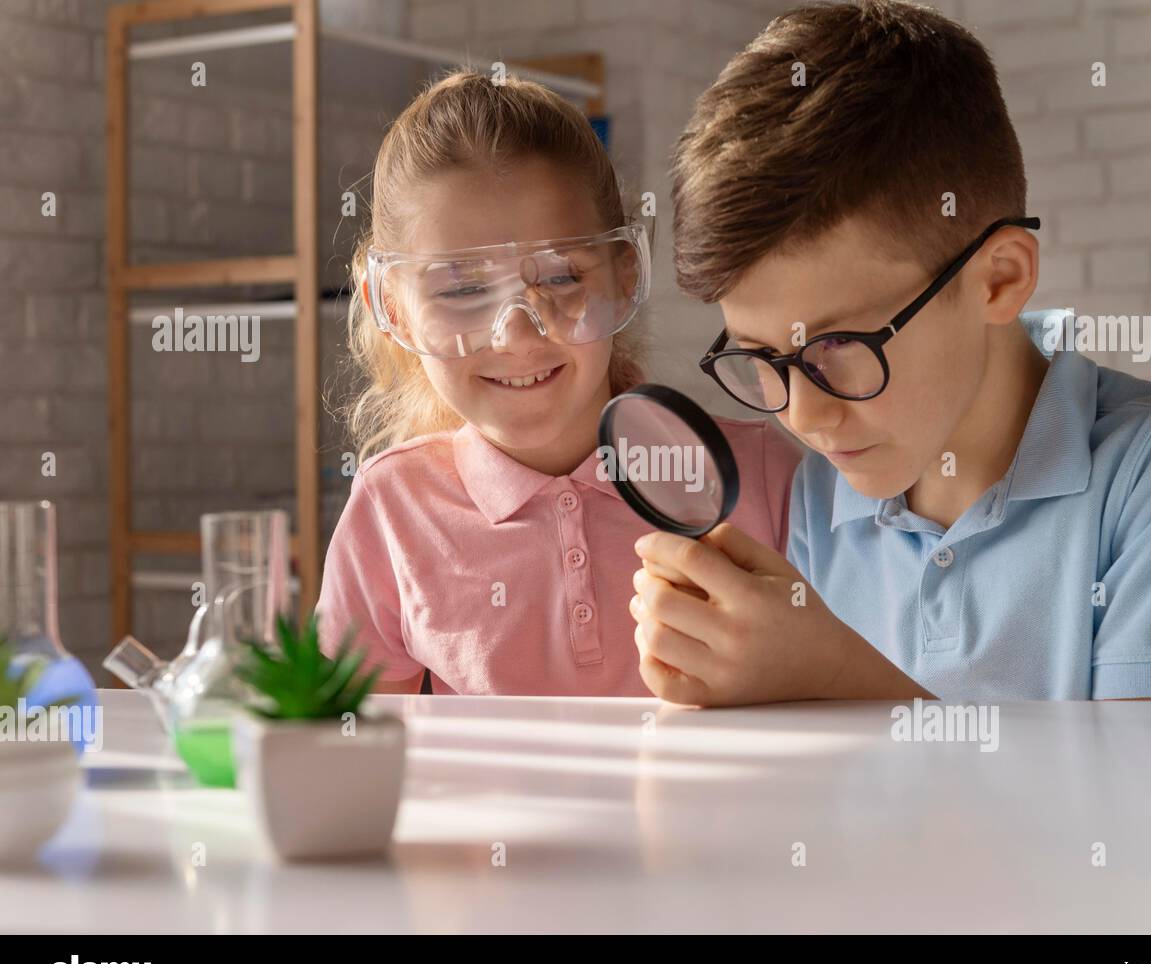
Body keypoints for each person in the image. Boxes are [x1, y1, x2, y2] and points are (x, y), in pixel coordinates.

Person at [629, 0, 1151, 705]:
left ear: (1000, 279)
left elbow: (1146, 801)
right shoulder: (825, 492)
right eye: (761, 357)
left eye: (839, 344)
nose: (806, 415)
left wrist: (838, 680)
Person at [318, 71, 801, 695]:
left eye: (563, 277)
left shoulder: (763, 479)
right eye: (462, 289)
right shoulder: (392, 509)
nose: (517, 334)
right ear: (393, 307)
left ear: (624, 272)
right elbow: (351, 757)